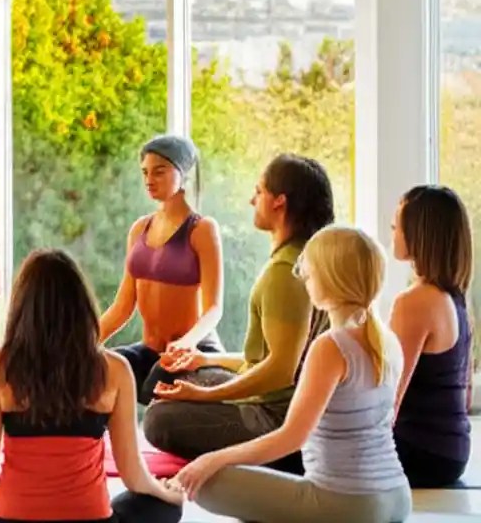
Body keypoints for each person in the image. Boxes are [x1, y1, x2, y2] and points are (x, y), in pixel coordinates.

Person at [0, 249, 183, 523]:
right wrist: (167, 494)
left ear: (22, 308)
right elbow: (134, 476)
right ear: (82, 307)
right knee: (163, 507)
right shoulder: (115, 369)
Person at [171, 226, 412, 523]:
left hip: (349, 505)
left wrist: (212, 459)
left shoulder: (331, 346)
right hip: (397, 497)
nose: (304, 278)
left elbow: (291, 438)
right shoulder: (388, 342)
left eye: (309, 271)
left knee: (207, 482)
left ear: (331, 276)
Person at [142, 154, 334, 471]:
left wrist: (204, 396)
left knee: (158, 419)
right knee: (175, 376)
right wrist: (205, 360)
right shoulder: (305, 257)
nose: (251, 200)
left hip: (274, 420)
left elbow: (280, 371)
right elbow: (266, 359)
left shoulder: (285, 272)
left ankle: (271, 458)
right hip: (275, 401)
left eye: (259, 192)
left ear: (279, 202)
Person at [99, 135, 224, 403]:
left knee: (152, 387)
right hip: (150, 350)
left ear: (182, 173)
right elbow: (122, 306)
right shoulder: (139, 229)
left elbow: (214, 308)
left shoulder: (202, 229)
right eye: (145, 172)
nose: (149, 179)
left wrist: (186, 343)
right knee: (96, 373)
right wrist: (84, 342)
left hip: (191, 350)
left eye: (159, 171)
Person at [389, 185, 473, 487]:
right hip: (452, 452)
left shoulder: (415, 302)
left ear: (420, 233)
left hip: (421, 452)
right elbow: (465, 397)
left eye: (397, 224)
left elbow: (389, 397)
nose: (392, 230)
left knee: (300, 457)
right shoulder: (456, 299)